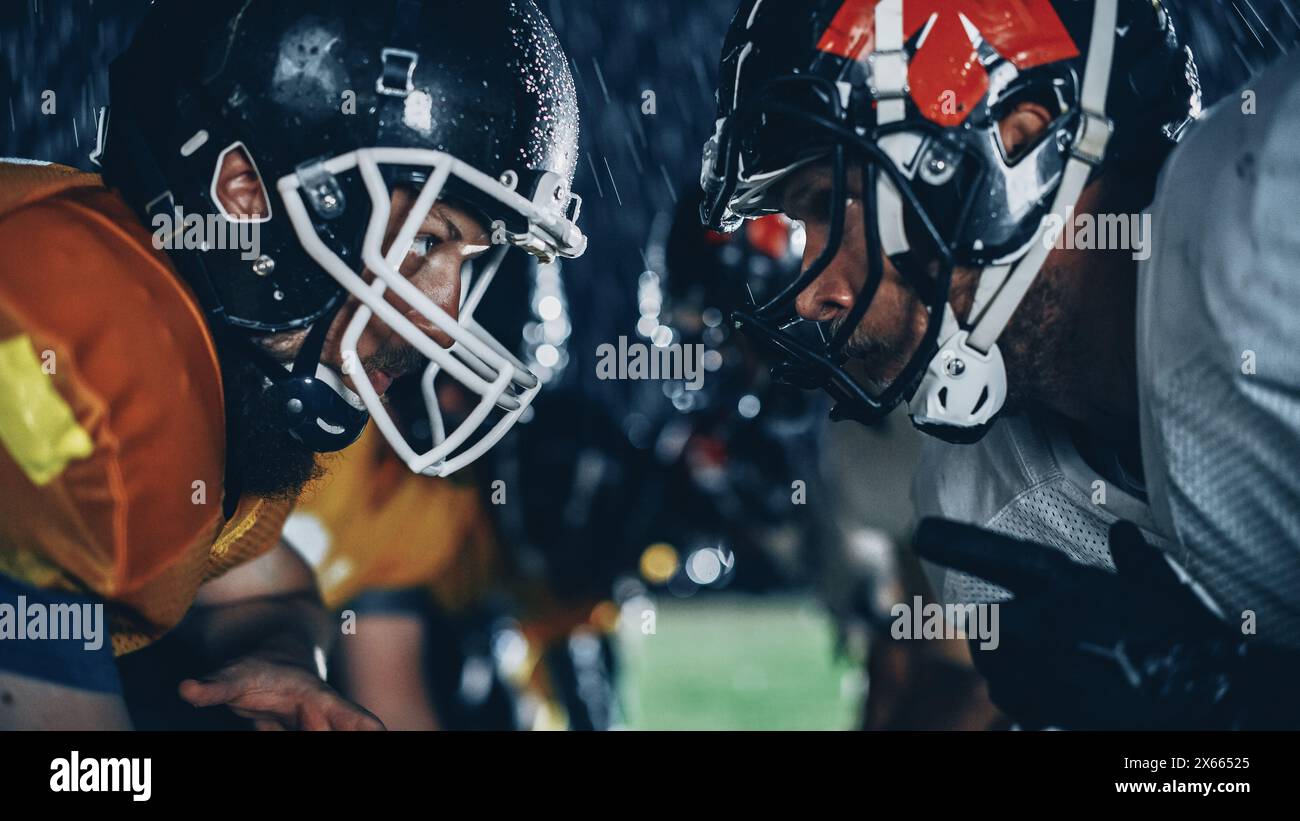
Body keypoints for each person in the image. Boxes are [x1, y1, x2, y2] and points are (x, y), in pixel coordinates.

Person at [700, 0, 1300, 727]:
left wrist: (1239, 703)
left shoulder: (1273, 211)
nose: (810, 298)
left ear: (1014, 140)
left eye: (829, 200)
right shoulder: (980, 507)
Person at [0, 0, 585, 729]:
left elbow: (263, 588)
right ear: (243, 196)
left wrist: (283, 654)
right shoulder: (78, 344)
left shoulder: (201, 369)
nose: (442, 314)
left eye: (467, 261)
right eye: (429, 242)